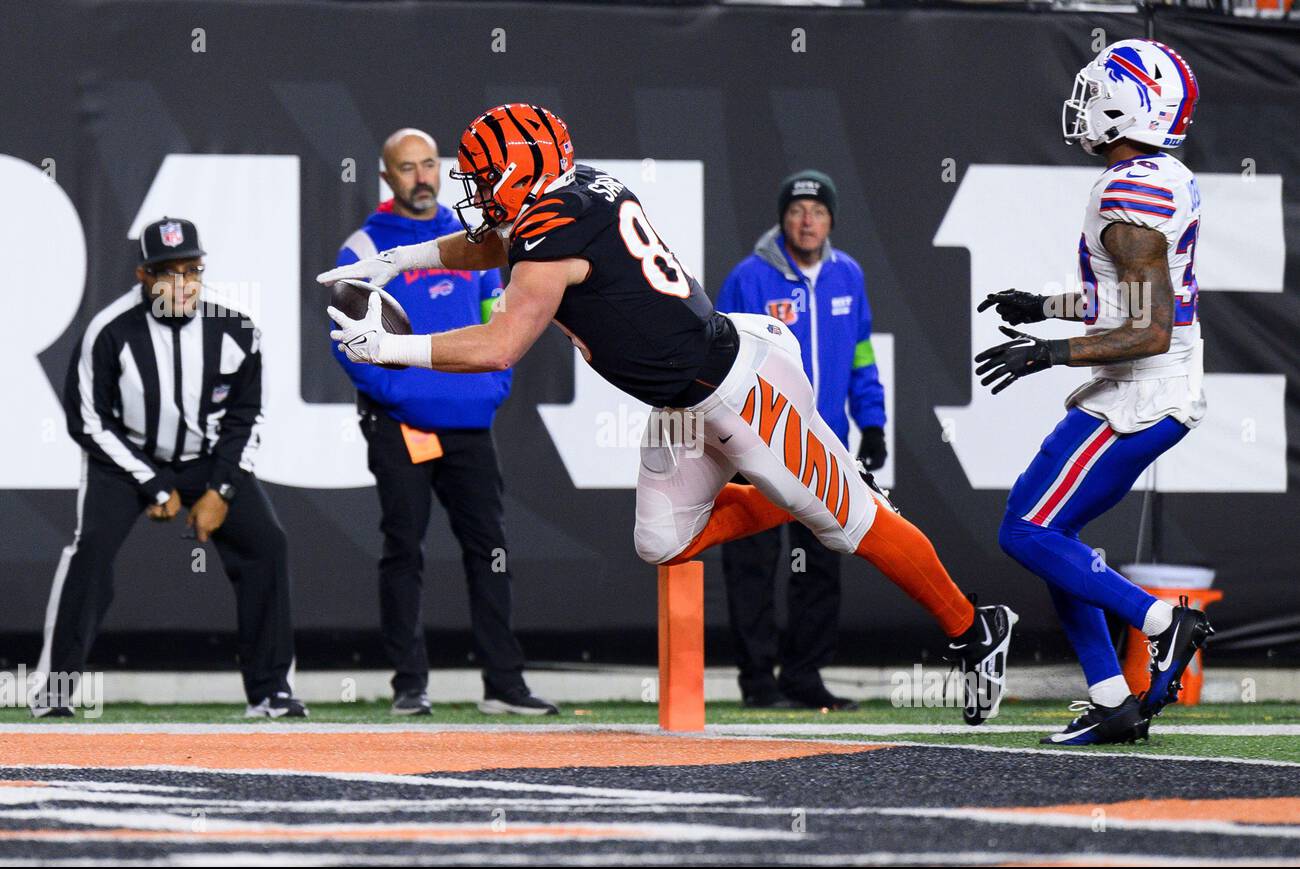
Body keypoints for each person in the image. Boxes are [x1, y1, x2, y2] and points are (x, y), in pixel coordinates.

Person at [319, 103, 1016, 725]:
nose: (470, 190)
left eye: (480, 175)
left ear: (517, 174)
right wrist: (400, 259)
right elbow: (506, 242)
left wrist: (388, 346)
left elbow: (500, 345)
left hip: (740, 389)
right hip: (686, 399)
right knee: (662, 542)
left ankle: (972, 625)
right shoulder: (575, 190)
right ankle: (799, 496)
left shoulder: (552, 233)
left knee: (852, 527)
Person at [974, 40, 1213, 745]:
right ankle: (1112, 700)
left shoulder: (1130, 189)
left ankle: (1164, 622)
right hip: (1143, 385)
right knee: (1054, 536)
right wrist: (1044, 305)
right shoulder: (1156, 173)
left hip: (1142, 390)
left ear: (1130, 105)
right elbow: (1122, 302)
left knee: (1026, 530)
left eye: (1097, 89)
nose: (1082, 103)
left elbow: (1147, 330)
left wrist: (1048, 353)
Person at [37, 217, 303, 719]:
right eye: (167, 273)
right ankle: (54, 692)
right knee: (89, 549)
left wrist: (220, 490)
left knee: (267, 543)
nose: (182, 285)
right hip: (128, 459)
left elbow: (246, 417)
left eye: (192, 270)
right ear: (143, 276)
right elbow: (88, 421)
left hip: (206, 461)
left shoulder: (237, 327)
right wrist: (155, 485)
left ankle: (271, 692)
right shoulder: (109, 331)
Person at [333, 128, 555, 717]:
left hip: (471, 422)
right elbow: (346, 338)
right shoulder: (363, 246)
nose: (422, 176)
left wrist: (490, 386)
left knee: (490, 549)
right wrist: (404, 395)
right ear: (387, 176)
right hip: (400, 426)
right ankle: (410, 685)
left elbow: (497, 311)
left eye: (430, 164)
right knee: (404, 548)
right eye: (407, 167)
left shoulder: (472, 241)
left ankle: (504, 685)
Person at [715, 170, 886, 710]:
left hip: (821, 446)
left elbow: (861, 354)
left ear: (831, 219)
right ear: (782, 218)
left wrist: (874, 422)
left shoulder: (848, 276)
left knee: (821, 565)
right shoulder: (748, 278)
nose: (806, 220)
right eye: (796, 210)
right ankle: (758, 681)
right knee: (753, 564)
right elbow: (718, 356)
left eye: (817, 210)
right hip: (756, 444)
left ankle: (805, 676)